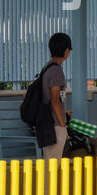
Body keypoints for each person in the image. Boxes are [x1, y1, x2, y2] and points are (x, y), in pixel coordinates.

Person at [41, 32, 71, 162]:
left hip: (47, 122)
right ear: (66, 51)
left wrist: (64, 113)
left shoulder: (47, 67)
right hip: (55, 126)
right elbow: (55, 101)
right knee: (52, 166)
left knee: (50, 163)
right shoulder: (56, 71)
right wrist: (63, 125)